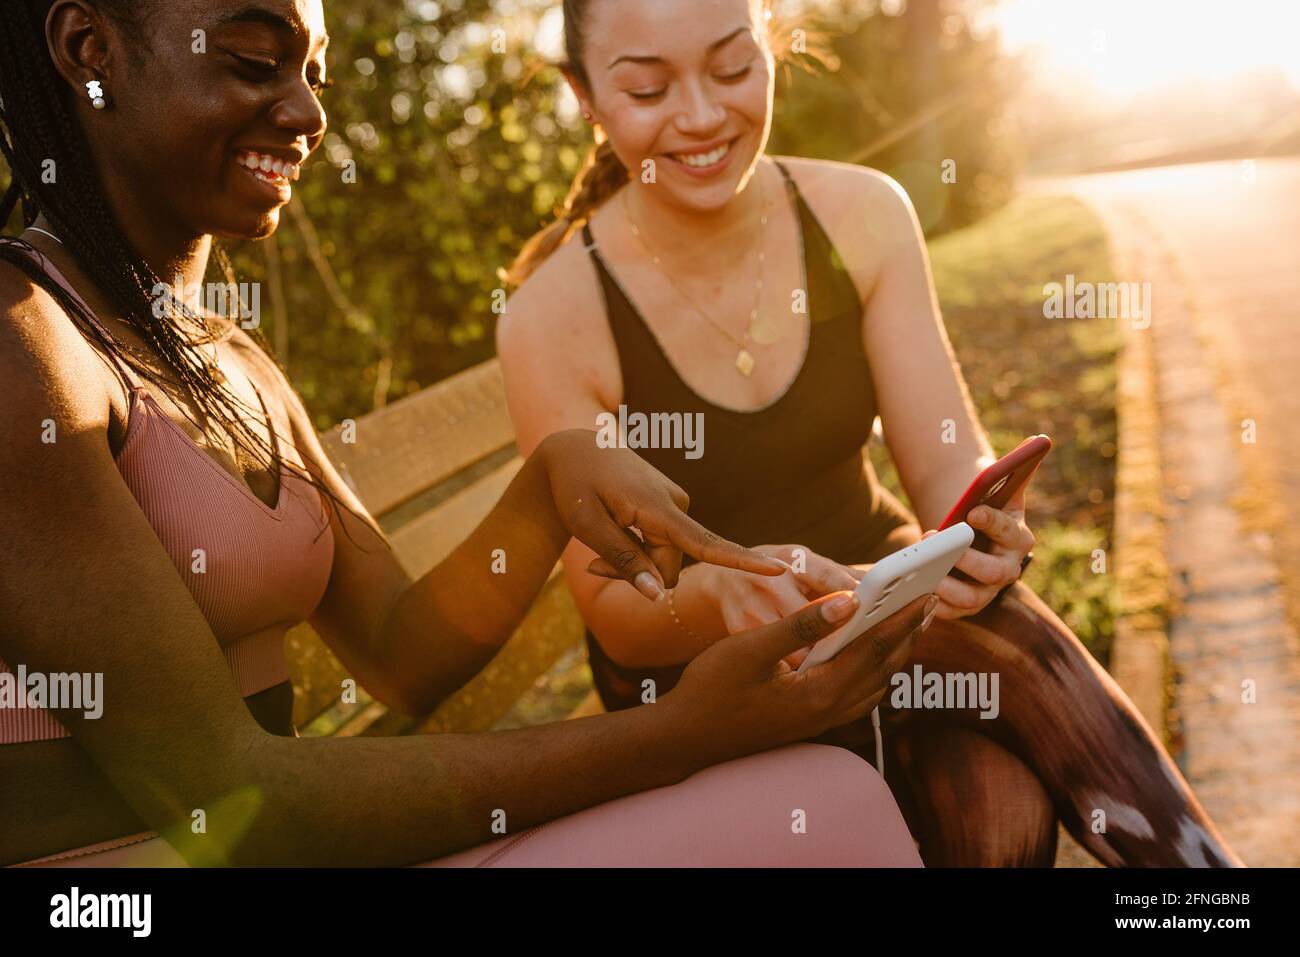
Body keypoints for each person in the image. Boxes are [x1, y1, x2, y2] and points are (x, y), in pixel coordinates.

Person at [0, 0, 929, 868]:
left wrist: (548, 482)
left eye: (316, 75)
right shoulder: (21, 341)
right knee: (825, 804)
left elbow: (404, 657)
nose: (307, 113)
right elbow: (223, 795)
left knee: (825, 794)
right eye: (254, 62)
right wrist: (689, 729)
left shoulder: (233, 362)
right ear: (91, 52)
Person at [497, 0, 1243, 866]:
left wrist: (984, 533)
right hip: (707, 675)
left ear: (773, 46)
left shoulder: (862, 213)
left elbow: (944, 457)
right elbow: (619, 614)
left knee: (1003, 805)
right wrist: (720, 591)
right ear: (586, 96)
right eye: (647, 88)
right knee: (1004, 655)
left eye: (734, 69)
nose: (701, 116)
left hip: (890, 608)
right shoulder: (553, 312)